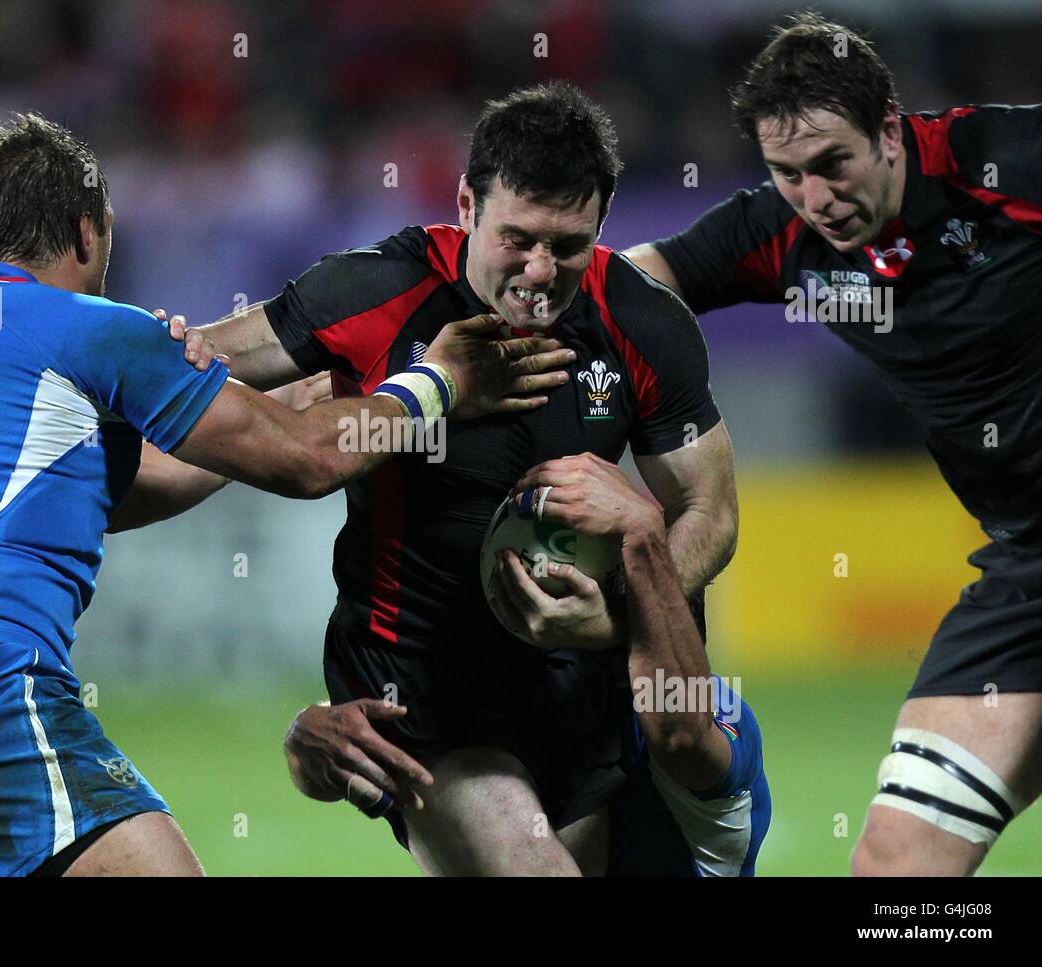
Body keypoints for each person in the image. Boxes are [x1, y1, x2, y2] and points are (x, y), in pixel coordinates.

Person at [0, 113, 570, 877]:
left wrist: (292, 412)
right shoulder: (82, 323)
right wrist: (441, 383)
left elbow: (110, 489)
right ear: (86, 231)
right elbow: (307, 463)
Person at [172, 81, 739, 875]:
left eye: (569, 244)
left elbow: (709, 509)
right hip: (420, 693)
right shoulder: (374, 289)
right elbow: (196, 361)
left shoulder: (643, 322)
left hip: (577, 691)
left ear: (603, 224)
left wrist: (617, 610)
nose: (542, 271)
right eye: (519, 238)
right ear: (468, 204)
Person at [622, 12, 1042, 875]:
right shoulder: (782, 236)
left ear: (890, 130)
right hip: (1028, 578)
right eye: (788, 175)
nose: (815, 198)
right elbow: (634, 283)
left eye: (831, 164)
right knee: (896, 870)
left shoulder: (1003, 160)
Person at [285, 453, 771, 876]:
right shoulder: (566, 676)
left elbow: (680, 736)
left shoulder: (716, 722)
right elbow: (376, 735)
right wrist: (305, 735)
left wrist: (642, 529)